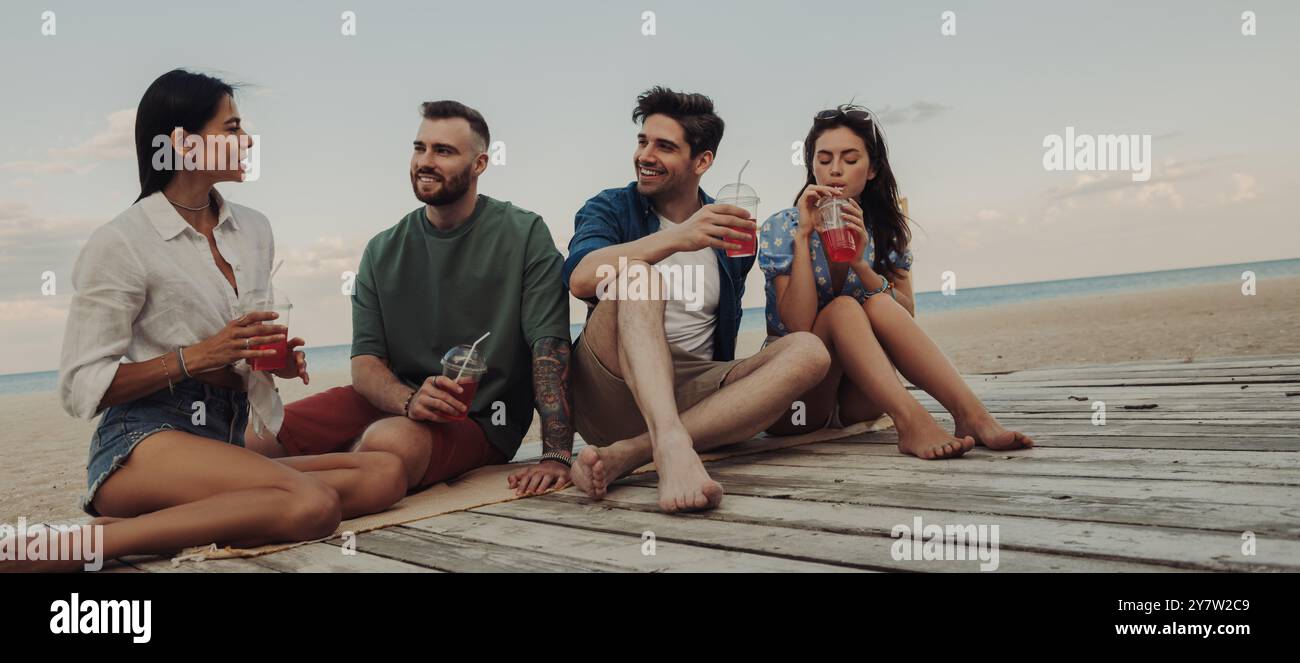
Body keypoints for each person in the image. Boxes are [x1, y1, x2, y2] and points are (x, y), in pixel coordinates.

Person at [18, 70, 407, 572]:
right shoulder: (122, 241)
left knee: (384, 474)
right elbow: (79, 387)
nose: (247, 141)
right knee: (312, 505)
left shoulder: (254, 230)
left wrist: (272, 362)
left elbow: (242, 346)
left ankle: (170, 520)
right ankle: (81, 545)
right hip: (143, 441)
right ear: (182, 142)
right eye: (232, 128)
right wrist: (193, 359)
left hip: (221, 438)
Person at [245, 101, 575, 498]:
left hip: (479, 419)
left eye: (444, 151)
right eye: (420, 148)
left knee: (388, 446)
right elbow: (366, 366)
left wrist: (556, 452)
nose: (426, 161)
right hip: (396, 402)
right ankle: (274, 487)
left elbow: (549, 350)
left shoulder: (524, 233)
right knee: (255, 438)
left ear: (480, 164)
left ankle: (276, 494)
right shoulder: (382, 249)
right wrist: (409, 399)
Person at [563, 87, 830, 513]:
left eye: (664, 146)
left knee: (810, 352)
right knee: (637, 276)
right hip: (610, 387)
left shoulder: (728, 229)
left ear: (702, 161)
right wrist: (676, 238)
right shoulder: (611, 207)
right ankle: (669, 446)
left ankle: (633, 452)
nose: (645, 155)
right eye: (642, 141)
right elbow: (580, 279)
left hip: (692, 394)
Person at [759, 104, 1034, 459]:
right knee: (843, 308)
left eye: (850, 158)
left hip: (861, 398)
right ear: (811, 166)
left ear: (872, 168)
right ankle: (911, 423)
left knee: (875, 300)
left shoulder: (884, 229)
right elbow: (798, 327)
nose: (835, 170)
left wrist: (861, 264)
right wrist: (804, 234)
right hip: (798, 399)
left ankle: (971, 415)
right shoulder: (785, 226)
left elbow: (904, 316)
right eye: (823, 159)